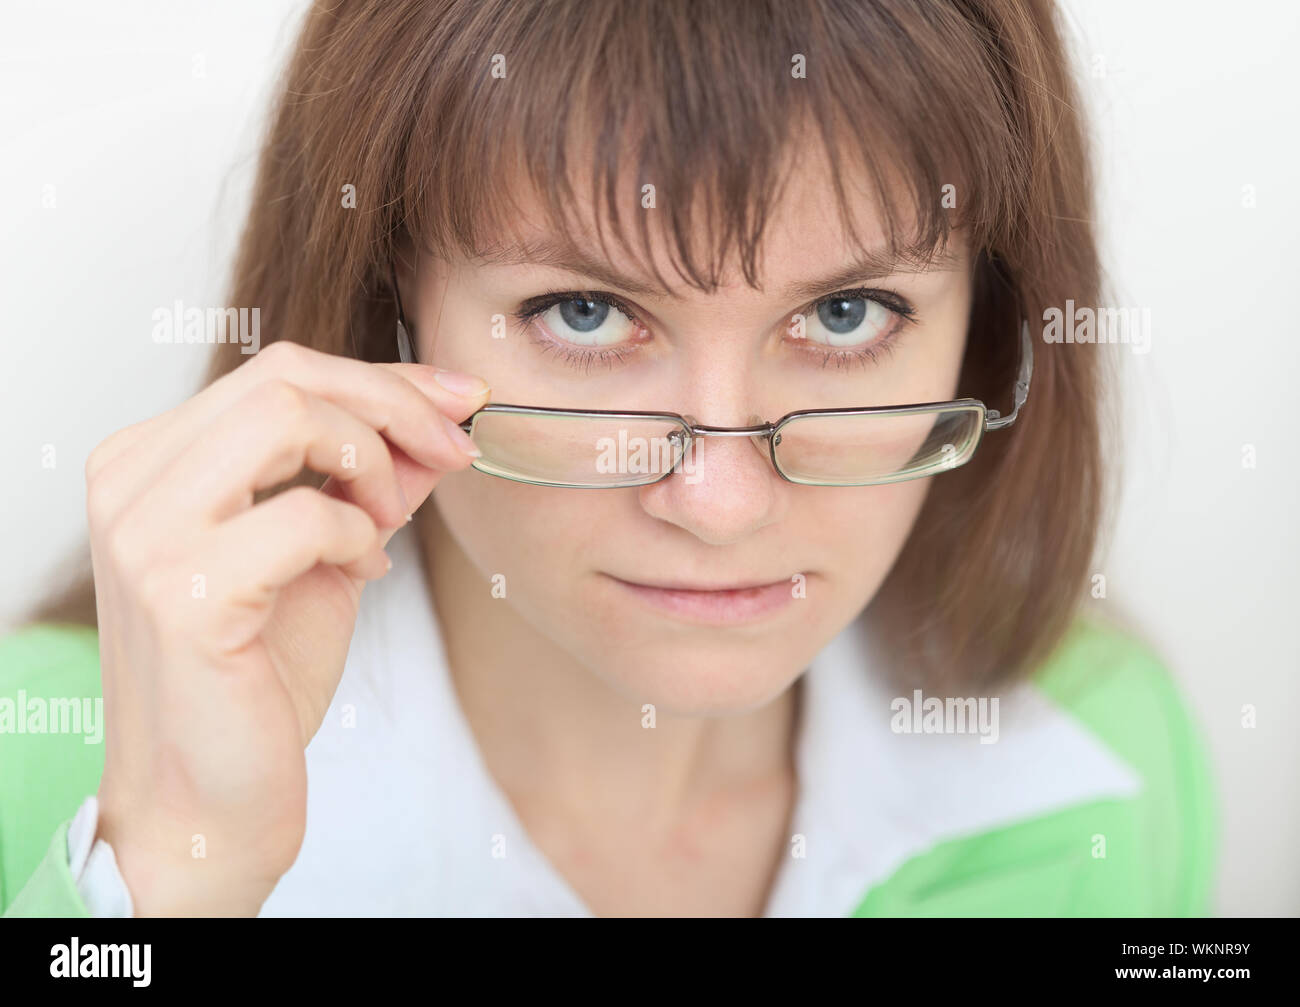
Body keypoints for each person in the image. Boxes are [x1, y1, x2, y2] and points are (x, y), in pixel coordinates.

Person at [0, 0, 1215, 917]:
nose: (722, 502)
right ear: (385, 309)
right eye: (583, 313)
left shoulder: (1101, 750)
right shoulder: (47, 763)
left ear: (984, 331)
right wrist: (162, 880)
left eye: (846, 317)